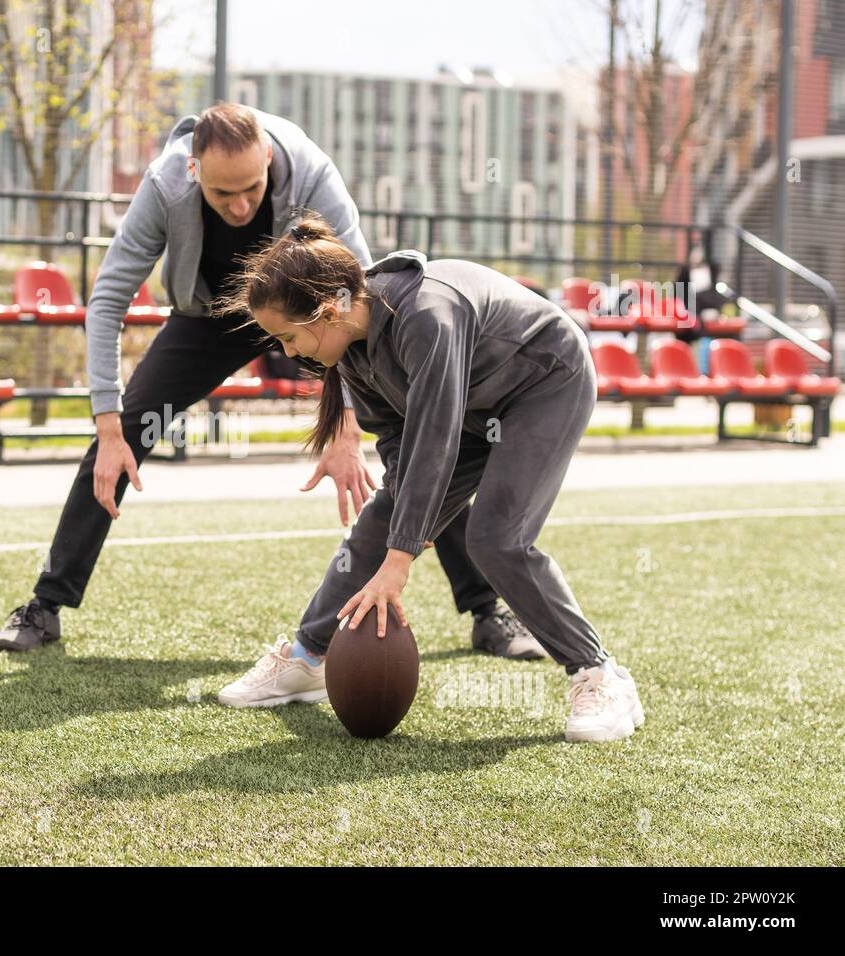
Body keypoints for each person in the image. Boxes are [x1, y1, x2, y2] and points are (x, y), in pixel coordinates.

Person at [0, 103, 541, 671]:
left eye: (251, 189)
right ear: (193, 172)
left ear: (270, 160)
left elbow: (361, 300)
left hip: (311, 319)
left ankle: (486, 609)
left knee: (418, 435)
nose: (240, 206)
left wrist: (348, 428)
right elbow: (107, 300)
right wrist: (106, 422)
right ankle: (45, 604)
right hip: (207, 320)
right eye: (222, 194)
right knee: (125, 431)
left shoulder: (312, 174)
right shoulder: (163, 186)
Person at [214, 216, 645, 742]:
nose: (286, 351)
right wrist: (399, 526)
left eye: (288, 336)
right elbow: (403, 447)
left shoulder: (427, 316)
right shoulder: (350, 347)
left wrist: (400, 561)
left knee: (496, 537)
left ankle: (599, 674)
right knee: (384, 519)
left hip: (545, 385)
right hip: (473, 409)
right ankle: (307, 657)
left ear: (327, 309)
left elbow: (434, 436)